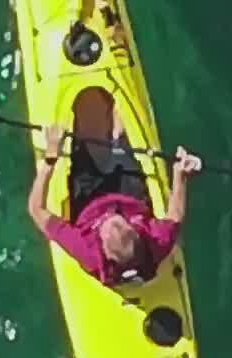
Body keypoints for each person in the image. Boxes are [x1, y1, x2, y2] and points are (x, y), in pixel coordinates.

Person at [28, 121, 200, 291]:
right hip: (129, 195)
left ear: (106, 253)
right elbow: (176, 215)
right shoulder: (156, 243)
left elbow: (36, 209)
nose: (110, 216)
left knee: (82, 144)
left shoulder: (88, 252)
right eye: (120, 222)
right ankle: (118, 138)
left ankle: (94, 140)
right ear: (137, 233)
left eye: (107, 227)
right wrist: (180, 174)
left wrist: (50, 159)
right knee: (121, 137)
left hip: (87, 200)